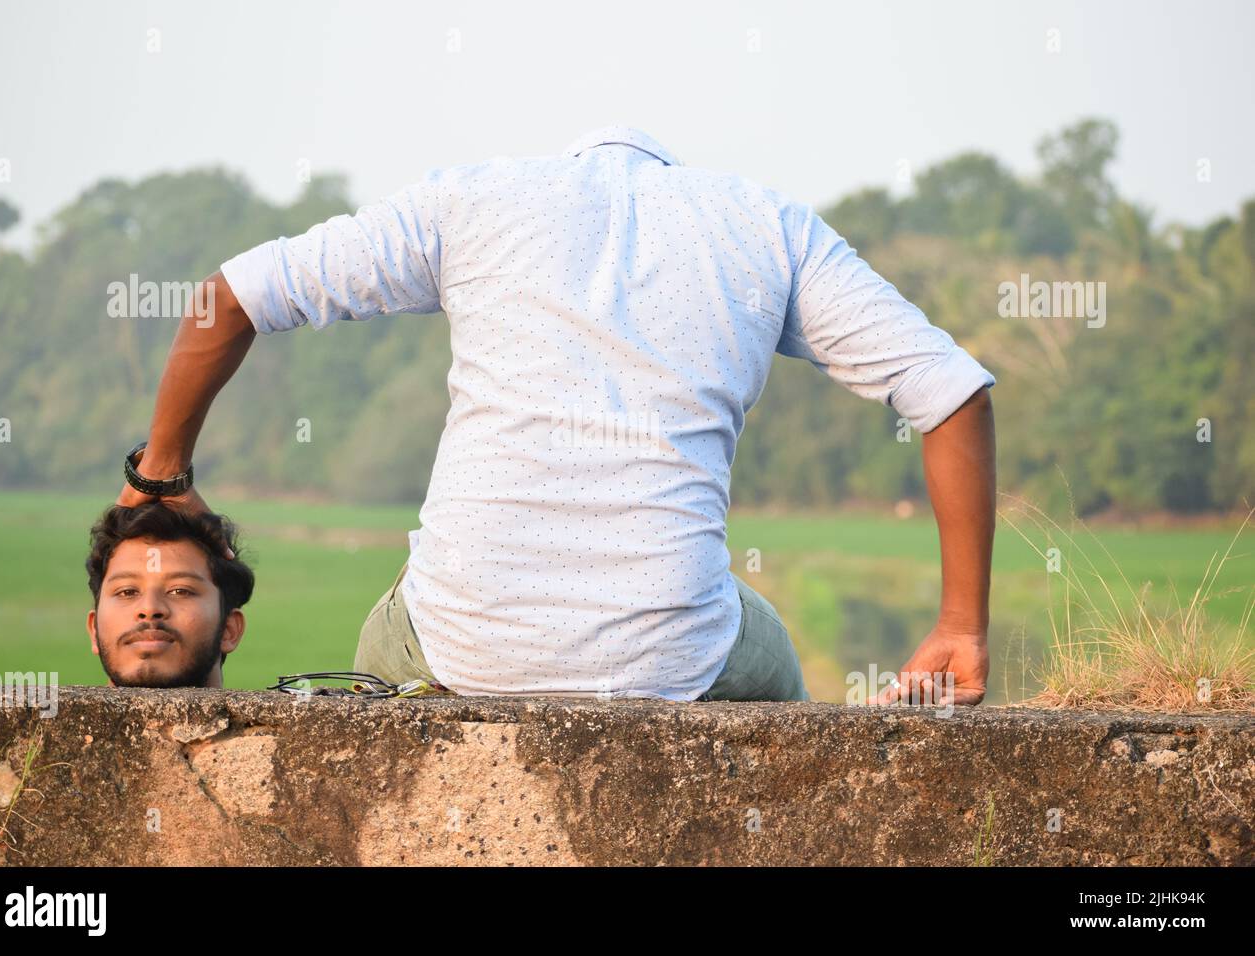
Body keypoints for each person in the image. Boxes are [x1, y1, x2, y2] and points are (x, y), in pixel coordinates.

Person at [114, 125, 995, 705]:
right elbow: (951, 391)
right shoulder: (765, 227)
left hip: (462, 640)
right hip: (670, 658)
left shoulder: (472, 201)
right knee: (768, 658)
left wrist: (161, 475)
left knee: (383, 646)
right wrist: (959, 627)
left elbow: (225, 301)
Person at [85, 502, 253, 688]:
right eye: (127, 592)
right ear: (94, 630)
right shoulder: (47, 713)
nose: (149, 608)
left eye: (180, 591)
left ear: (229, 629)